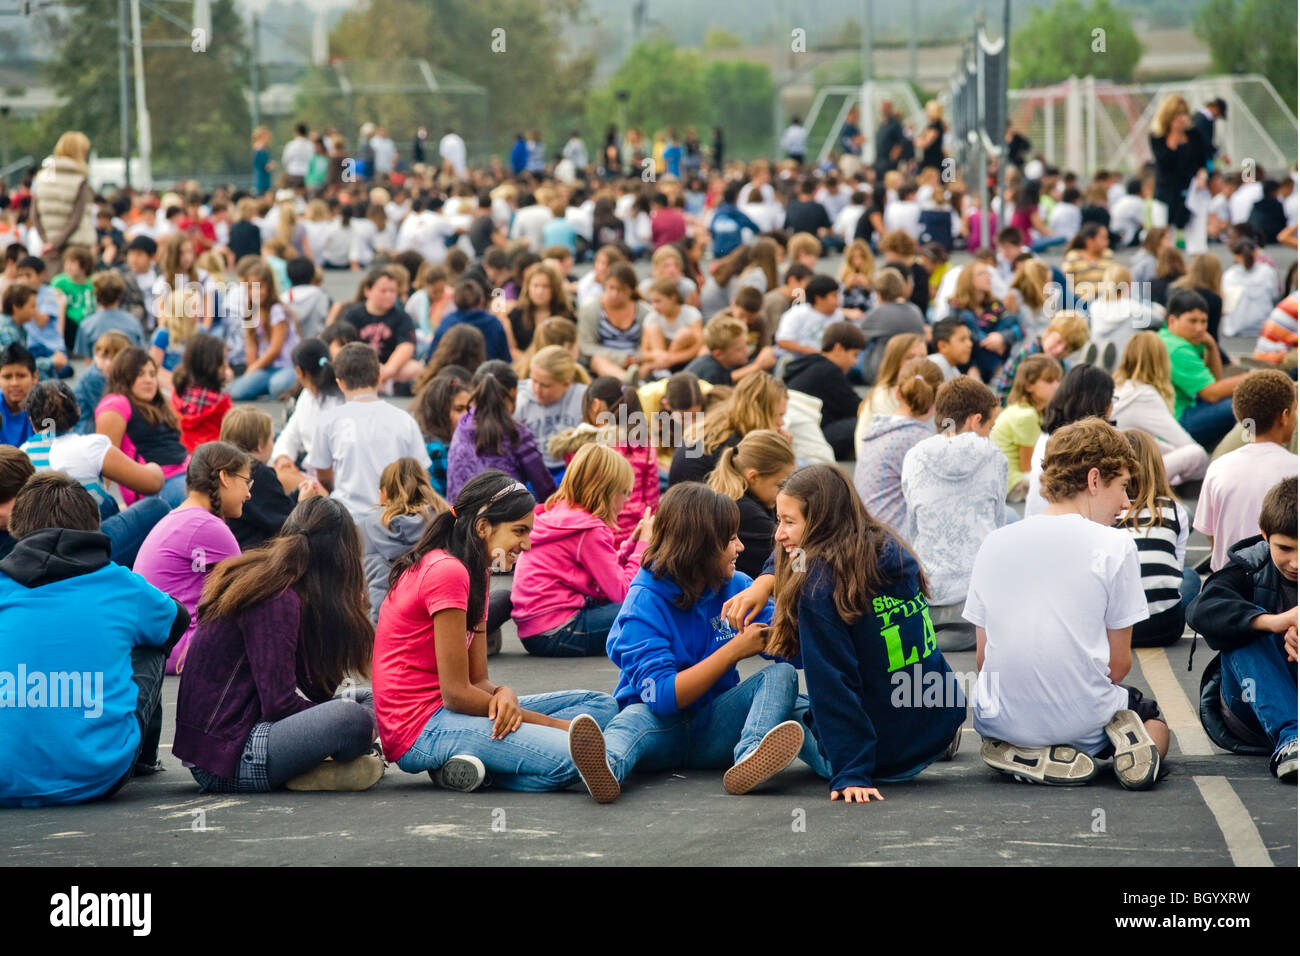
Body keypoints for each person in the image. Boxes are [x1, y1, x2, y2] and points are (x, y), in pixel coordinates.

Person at [373, 470, 619, 791]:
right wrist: (554, 726)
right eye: (519, 531)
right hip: (420, 729)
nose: (527, 544)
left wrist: (503, 692)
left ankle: (469, 764)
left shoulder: (480, 571)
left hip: (454, 711)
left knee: (602, 706)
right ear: (483, 526)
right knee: (573, 757)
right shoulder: (447, 571)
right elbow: (456, 694)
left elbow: (477, 681)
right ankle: (474, 767)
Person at [565, 482, 807, 804]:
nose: (741, 547)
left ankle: (754, 756)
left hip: (715, 729)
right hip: (657, 730)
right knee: (629, 721)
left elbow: (797, 656)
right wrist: (734, 650)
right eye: (730, 539)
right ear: (701, 548)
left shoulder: (736, 586)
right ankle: (606, 766)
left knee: (784, 682)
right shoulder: (644, 602)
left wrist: (789, 632)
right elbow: (663, 698)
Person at [966, 418, 1169, 789]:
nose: (1126, 504)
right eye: (1123, 486)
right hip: (1083, 720)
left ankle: (1022, 752)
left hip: (1000, 716)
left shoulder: (994, 542)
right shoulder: (1115, 546)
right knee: (1153, 719)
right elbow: (1118, 665)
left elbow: (982, 660)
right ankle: (1125, 752)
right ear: (1094, 480)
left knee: (1013, 709)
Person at [762, 464, 964, 801]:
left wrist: (851, 772)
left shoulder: (818, 588)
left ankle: (749, 746)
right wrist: (767, 580)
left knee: (783, 702)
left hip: (882, 762)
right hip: (938, 725)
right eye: (778, 520)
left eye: (789, 521)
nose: (778, 534)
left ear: (820, 522)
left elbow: (834, 683)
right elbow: (866, 646)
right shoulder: (891, 550)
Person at [0, 472, 188, 807]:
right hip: (95, 774)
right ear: (92, 526)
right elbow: (176, 621)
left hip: (5, 778)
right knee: (150, 639)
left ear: (17, 526)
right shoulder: (120, 584)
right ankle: (143, 759)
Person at [175, 496, 383, 793]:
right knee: (351, 718)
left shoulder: (285, 587)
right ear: (341, 559)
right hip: (228, 756)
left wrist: (336, 627)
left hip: (243, 735)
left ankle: (322, 766)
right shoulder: (275, 598)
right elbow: (279, 704)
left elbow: (316, 689)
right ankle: (340, 759)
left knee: (368, 700)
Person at [1188, 476, 1298, 783]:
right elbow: (1200, 610)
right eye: (1285, 548)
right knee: (1243, 633)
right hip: (1248, 709)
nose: (1295, 562)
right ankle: (1293, 737)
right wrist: (1273, 622)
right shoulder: (1247, 568)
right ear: (1265, 535)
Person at [510, 444, 653, 657]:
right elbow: (622, 592)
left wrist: (631, 543)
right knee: (646, 608)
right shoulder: (588, 530)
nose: (626, 499)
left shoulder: (562, 516)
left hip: (535, 631)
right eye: (624, 492)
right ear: (605, 491)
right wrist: (643, 546)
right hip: (559, 631)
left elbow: (605, 572)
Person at [902, 377, 1006, 651]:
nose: (990, 434)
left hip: (928, 596)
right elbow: (998, 526)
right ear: (975, 420)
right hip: (977, 603)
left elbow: (912, 527)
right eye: (990, 426)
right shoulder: (994, 456)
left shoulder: (914, 456)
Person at [17, 382, 167, 566]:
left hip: (40, 556)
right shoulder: (91, 446)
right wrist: (154, 467)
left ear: (31, 421)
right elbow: (152, 484)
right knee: (156, 507)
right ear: (78, 412)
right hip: (85, 554)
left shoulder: (21, 454)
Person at [135, 440, 251, 678]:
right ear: (225, 477)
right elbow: (249, 593)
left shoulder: (182, 516)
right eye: (246, 481)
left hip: (160, 647)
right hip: (181, 649)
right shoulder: (207, 526)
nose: (249, 493)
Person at [304, 343, 429, 519]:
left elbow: (323, 475)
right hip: (395, 520)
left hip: (348, 520)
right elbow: (421, 475)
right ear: (379, 377)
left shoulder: (328, 421)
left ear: (340, 383)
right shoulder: (404, 420)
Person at [1195, 370, 1297, 572]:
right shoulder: (1296, 468)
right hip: (1281, 582)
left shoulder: (1218, 467)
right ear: (1284, 416)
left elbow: (1211, 533)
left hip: (1229, 582)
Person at [1117, 429, 1195, 648]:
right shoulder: (1174, 509)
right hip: (1165, 629)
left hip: (1117, 631)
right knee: (1190, 576)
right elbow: (1176, 570)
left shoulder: (1108, 510)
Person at [445, 360, 555, 502]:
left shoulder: (463, 425)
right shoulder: (516, 434)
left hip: (458, 518)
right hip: (505, 520)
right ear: (514, 392)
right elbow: (546, 491)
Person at [95, 347, 190, 507]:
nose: (148, 380)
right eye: (140, 374)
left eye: (152, 374)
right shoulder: (116, 403)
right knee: (212, 496)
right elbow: (104, 462)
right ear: (124, 376)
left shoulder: (158, 405)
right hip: (159, 487)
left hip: (188, 473)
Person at [1112, 331, 1210, 486]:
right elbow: (1185, 442)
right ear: (1161, 361)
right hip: (1132, 475)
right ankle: (1173, 486)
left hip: (1114, 467)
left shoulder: (1118, 386)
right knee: (1197, 454)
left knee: (1153, 442)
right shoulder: (1144, 394)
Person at [855, 358, 942, 529]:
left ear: (897, 393)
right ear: (938, 397)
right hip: (896, 542)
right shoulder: (921, 442)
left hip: (866, 534)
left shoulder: (877, 430)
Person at [361, 457, 447, 627]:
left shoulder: (369, 527)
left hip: (391, 626)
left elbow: (378, 585)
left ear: (384, 493)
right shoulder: (444, 521)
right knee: (501, 597)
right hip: (440, 623)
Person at [1159, 289, 1248, 451]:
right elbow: (1212, 393)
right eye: (1192, 321)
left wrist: (1211, 346)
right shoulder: (1179, 350)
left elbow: (1213, 381)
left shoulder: (1166, 337)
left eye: (1203, 321)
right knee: (1242, 405)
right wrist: (1252, 378)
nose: (1199, 328)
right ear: (1172, 321)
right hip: (1177, 421)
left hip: (1170, 416)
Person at [1024, 364, 1115, 518]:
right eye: (1111, 398)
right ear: (1099, 402)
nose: (1112, 405)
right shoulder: (1085, 447)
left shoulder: (1048, 437)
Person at [668, 372, 787, 486]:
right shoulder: (735, 444)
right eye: (778, 415)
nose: (782, 423)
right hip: (694, 502)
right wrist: (782, 452)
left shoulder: (723, 420)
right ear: (762, 413)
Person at [706, 429, 796, 580]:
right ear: (753, 477)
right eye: (780, 485)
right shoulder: (744, 512)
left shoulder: (745, 498)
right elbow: (791, 559)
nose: (785, 492)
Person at [221, 406, 310, 551]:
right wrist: (304, 501)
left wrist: (298, 493)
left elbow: (270, 508)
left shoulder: (224, 469)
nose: (273, 445)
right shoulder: (258, 474)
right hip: (251, 556)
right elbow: (286, 524)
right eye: (271, 440)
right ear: (259, 446)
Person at [782, 321, 865, 461]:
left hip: (801, 431)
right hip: (814, 435)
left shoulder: (811, 364)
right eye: (854, 355)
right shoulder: (828, 371)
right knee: (867, 421)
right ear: (838, 348)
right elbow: (857, 408)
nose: (855, 362)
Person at [990, 355, 1062, 498]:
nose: (1057, 386)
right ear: (1029, 386)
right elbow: (1027, 467)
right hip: (1012, 484)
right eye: (1049, 381)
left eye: (1057, 380)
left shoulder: (1025, 410)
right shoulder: (1027, 416)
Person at [341, 267, 421, 391]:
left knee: (415, 368)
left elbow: (406, 346)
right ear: (368, 291)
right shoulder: (352, 314)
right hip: (359, 366)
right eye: (383, 291)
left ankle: (382, 386)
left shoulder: (402, 317)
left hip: (390, 369)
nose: (388, 295)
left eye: (392, 291)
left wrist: (388, 370)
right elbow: (340, 343)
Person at [515, 345, 588, 475]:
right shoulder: (520, 397)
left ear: (566, 384)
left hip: (571, 468)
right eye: (534, 381)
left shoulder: (583, 397)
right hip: (529, 469)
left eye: (545, 385)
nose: (537, 389)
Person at [990, 309, 1089, 406]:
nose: (1059, 350)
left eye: (1067, 348)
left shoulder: (1064, 369)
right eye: (1058, 341)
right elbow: (1003, 395)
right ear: (1048, 332)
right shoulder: (1026, 356)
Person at [853, 332, 927, 457]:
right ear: (895, 361)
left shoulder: (923, 390)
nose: (918, 363)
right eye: (910, 357)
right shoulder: (884, 395)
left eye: (923, 356)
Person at [948, 260, 1021, 382]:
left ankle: (981, 373)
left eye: (989, 274)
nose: (988, 277)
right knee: (966, 320)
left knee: (1009, 321)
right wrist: (990, 341)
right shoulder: (956, 307)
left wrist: (1001, 338)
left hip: (994, 355)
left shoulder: (995, 304)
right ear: (969, 279)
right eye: (982, 274)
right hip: (968, 361)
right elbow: (955, 338)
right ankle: (992, 372)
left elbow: (1019, 329)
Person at [577, 262, 650, 381]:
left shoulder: (644, 312)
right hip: (604, 361)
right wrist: (621, 358)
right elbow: (586, 345)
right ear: (605, 285)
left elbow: (648, 344)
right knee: (597, 361)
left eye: (621, 290)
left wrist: (635, 358)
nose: (614, 294)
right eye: (611, 288)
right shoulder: (590, 310)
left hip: (637, 363)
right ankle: (626, 382)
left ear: (631, 290)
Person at [30, 131, 96, 261]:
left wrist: (48, 243)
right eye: (84, 152)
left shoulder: (42, 177)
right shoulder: (79, 180)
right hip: (75, 250)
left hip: (49, 249)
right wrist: (57, 243)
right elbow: (77, 218)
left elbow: (34, 215)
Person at [1149, 94, 1209, 232]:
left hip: (1191, 191)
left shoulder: (1194, 134)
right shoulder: (1157, 137)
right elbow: (1164, 162)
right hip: (1166, 192)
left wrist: (1202, 176)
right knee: (1163, 236)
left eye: (1184, 114)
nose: (1181, 119)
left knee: (1196, 233)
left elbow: (1201, 162)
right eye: (1177, 115)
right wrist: (1175, 136)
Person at [858, 268, 925, 385]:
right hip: (915, 368)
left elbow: (858, 338)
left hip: (884, 372)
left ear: (879, 294)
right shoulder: (915, 310)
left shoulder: (879, 312)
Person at [170, 333, 232, 453]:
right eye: (223, 360)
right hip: (214, 456)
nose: (226, 364)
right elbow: (235, 432)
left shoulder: (178, 394)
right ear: (211, 365)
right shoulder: (221, 403)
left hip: (185, 453)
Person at [413, 372, 470, 496]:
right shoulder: (435, 450)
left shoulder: (466, 444)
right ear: (439, 413)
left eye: (469, 409)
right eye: (459, 409)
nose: (467, 415)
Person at [431, 278, 510, 364]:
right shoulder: (494, 323)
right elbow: (505, 359)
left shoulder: (447, 322)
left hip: (452, 373)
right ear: (482, 300)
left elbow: (432, 357)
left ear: (455, 301)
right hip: (487, 373)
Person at [73, 270, 144, 356]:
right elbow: (140, 353)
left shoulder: (86, 325)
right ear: (120, 294)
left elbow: (87, 359)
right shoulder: (133, 322)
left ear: (95, 294)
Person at [1221, 239, 1280, 339]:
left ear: (1235, 256)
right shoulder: (1268, 271)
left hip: (1235, 328)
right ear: (1256, 252)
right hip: (1264, 327)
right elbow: (1275, 294)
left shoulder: (1229, 275)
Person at [774, 274, 841, 359]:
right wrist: (816, 353)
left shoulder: (839, 316)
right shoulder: (797, 313)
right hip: (795, 360)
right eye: (834, 296)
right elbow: (782, 341)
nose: (838, 300)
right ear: (819, 298)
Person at [0, 342, 36, 447]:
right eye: (7, 377)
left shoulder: (45, 410)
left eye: (21, 376)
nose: (14, 383)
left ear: (35, 377)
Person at [927, 317, 974, 382]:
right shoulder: (932, 367)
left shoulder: (954, 371)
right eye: (962, 339)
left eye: (969, 338)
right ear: (943, 346)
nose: (970, 344)